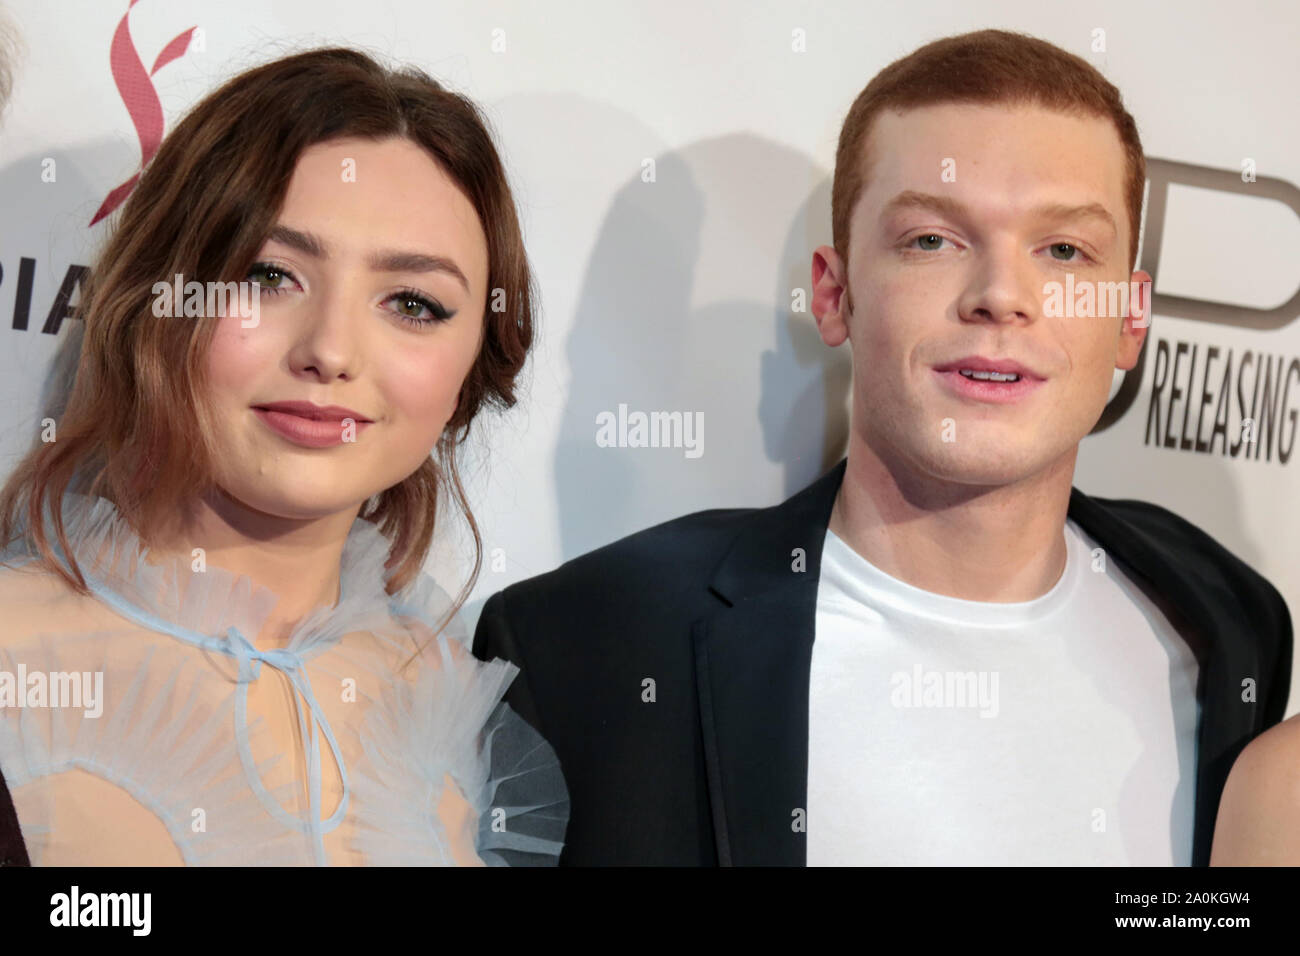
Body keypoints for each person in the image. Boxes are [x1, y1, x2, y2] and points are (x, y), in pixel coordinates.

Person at [473, 29, 1292, 866]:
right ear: (835, 294)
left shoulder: (1228, 620)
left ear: (1130, 316)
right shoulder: (587, 645)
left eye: (1064, 251)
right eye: (932, 240)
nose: (1002, 297)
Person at [0, 47, 567, 866]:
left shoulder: (478, 720)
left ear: (475, 364)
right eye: (268, 274)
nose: (331, 351)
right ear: (156, 300)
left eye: (413, 302)